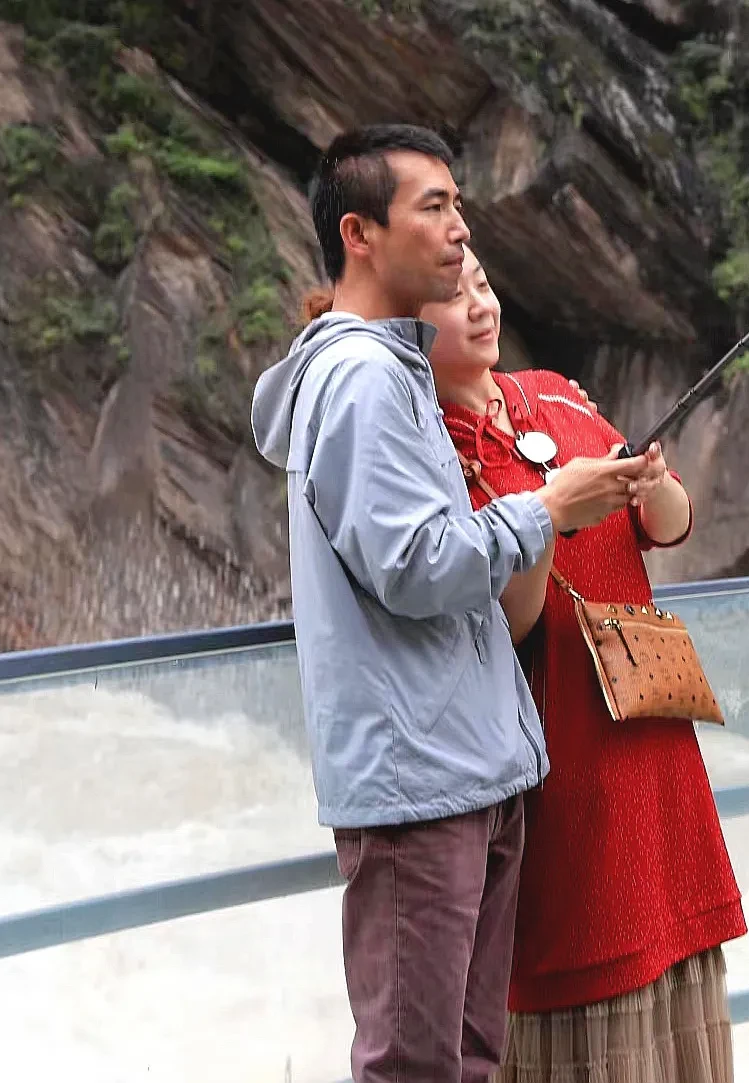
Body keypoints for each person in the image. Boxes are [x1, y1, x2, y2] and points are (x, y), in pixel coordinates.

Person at [250, 124, 651, 1083]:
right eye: (433, 207)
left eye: (458, 205)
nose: (461, 229)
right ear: (359, 234)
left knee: (467, 1060)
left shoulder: (395, 371)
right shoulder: (361, 380)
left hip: (469, 770)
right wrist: (549, 508)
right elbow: (417, 564)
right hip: (418, 785)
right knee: (416, 1065)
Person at [428, 245, 749, 1082]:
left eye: (484, 285)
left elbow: (669, 523)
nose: (480, 305)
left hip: (654, 741)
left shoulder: (556, 394)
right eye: (453, 297)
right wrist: (548, 513)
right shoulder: (431, 453)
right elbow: (510, 621)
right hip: (563, 761)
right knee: (586, 979)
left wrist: (652, 482)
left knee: (678, 960)